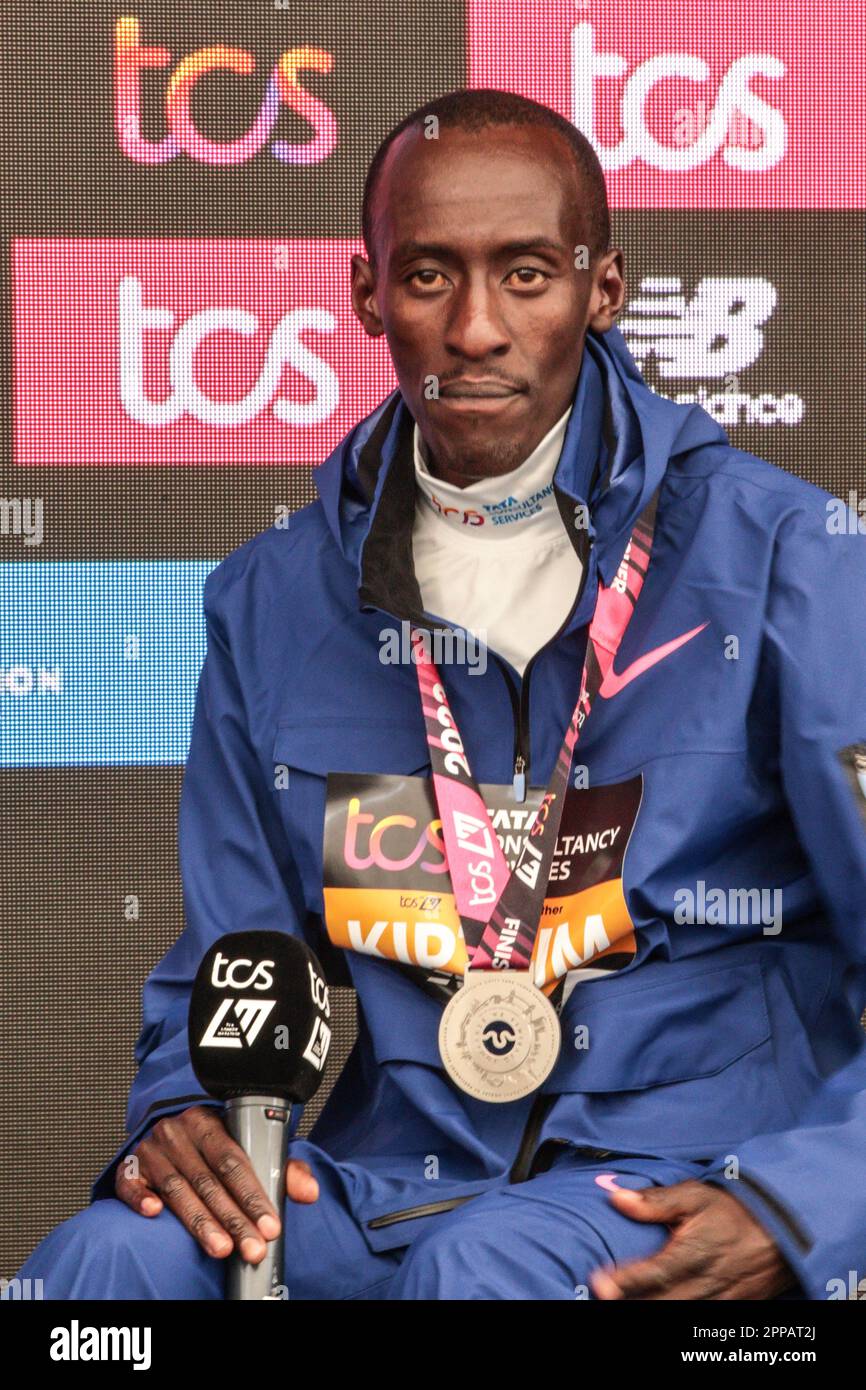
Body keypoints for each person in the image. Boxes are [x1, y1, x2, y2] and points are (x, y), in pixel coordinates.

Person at [11, 89, 866, 1301]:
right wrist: (191, 1110)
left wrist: (800, 1206)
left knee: (485, 1271)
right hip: (395, 1185)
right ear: (366, 295)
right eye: (427, 278)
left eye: (525, 275)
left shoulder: (785, 557)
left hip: (680, 1176)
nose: (474, 328)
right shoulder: (271, 600)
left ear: (602, 291)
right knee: (114, 1261)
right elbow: (233, 956)